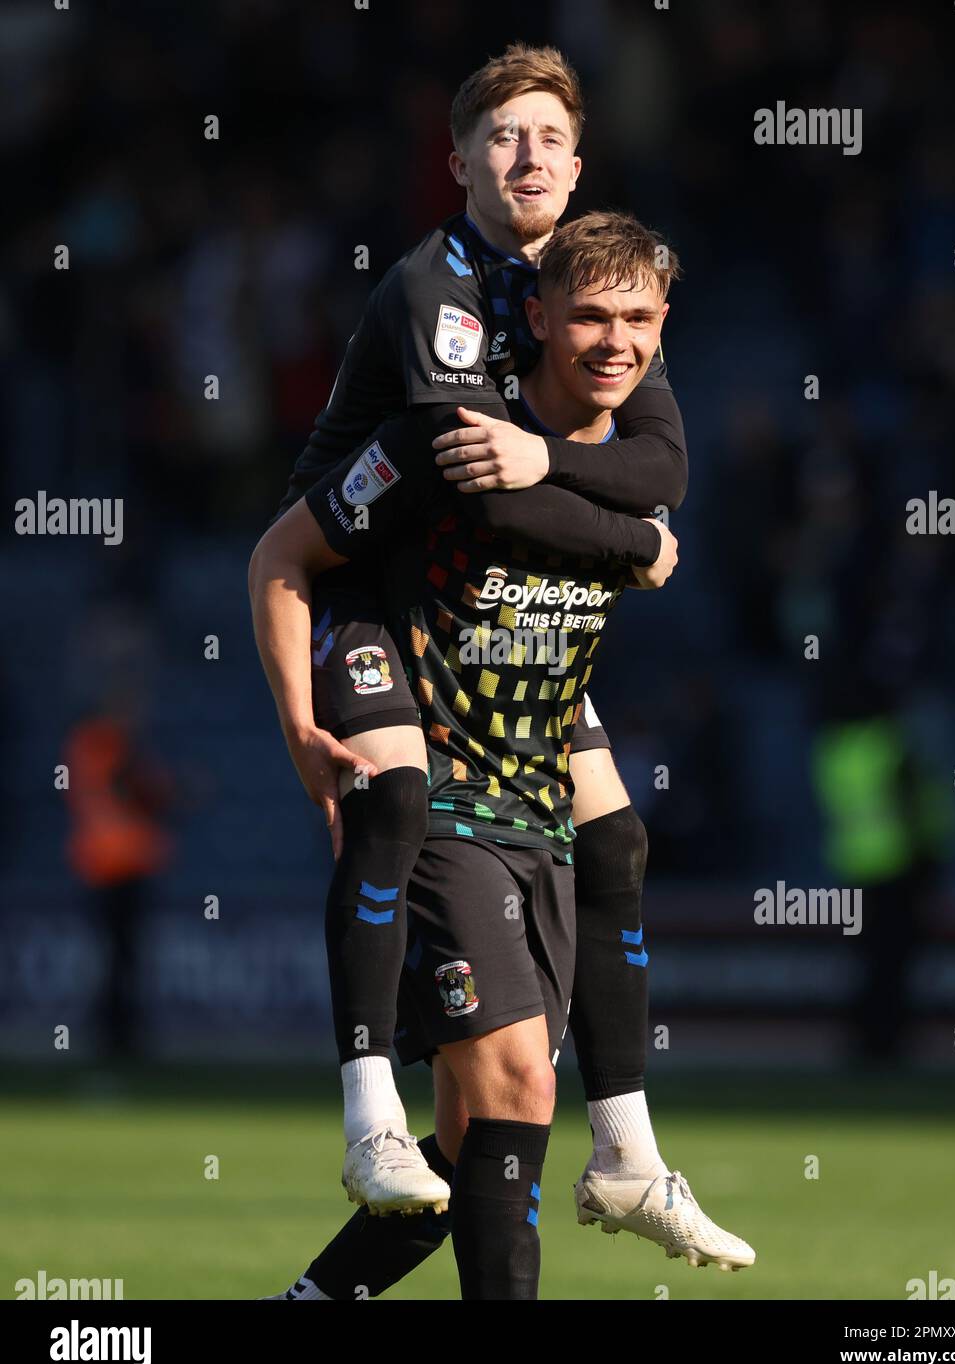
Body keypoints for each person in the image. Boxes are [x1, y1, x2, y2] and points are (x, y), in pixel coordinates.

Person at [250, 42, 753, 1279]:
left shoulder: (595, 286)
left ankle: (623, 1148)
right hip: (369, 585)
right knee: (400, 804)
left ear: (578, 167)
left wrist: (589, 489)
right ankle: (367, 1111)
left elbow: (662, 466)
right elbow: (472, 487)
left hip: (488, 621)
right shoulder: (439, 288)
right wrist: (635, 544)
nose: (526, 158)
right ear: (460, 156)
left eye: (548, 139)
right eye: (501, 136)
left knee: (612, 853)